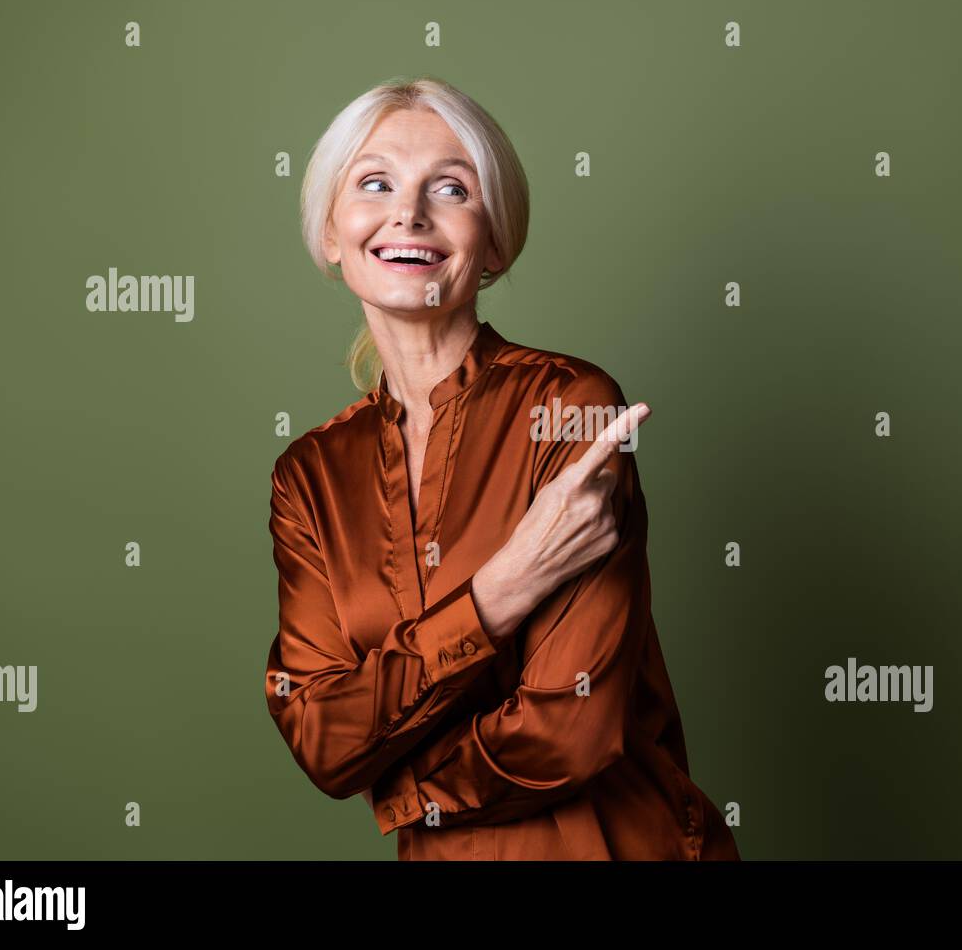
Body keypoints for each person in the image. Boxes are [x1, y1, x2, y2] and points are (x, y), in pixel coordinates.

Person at [264, 76, 740, 860]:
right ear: (330, 230)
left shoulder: (573, 409)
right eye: (375, 182)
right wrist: (500, 591)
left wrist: (400, 782)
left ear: (496, 240)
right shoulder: (309, 477)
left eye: (449, 188)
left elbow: (571, 729)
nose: (408, 214)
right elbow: (319, 736)